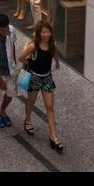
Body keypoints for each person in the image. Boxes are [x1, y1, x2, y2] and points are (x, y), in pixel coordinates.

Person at [21, 19, 63, 150]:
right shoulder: (33, 46)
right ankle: (28, 120)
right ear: (39, 33)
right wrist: (30, 64)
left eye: (48, 31)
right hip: (34, 77)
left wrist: (56, 62)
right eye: (43, 32)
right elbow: (21, 58)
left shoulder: (52, 45)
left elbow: (54, 54)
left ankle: (53, 136)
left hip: (47, 77)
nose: (46, 34)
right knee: (31, 101)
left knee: (50, 106)